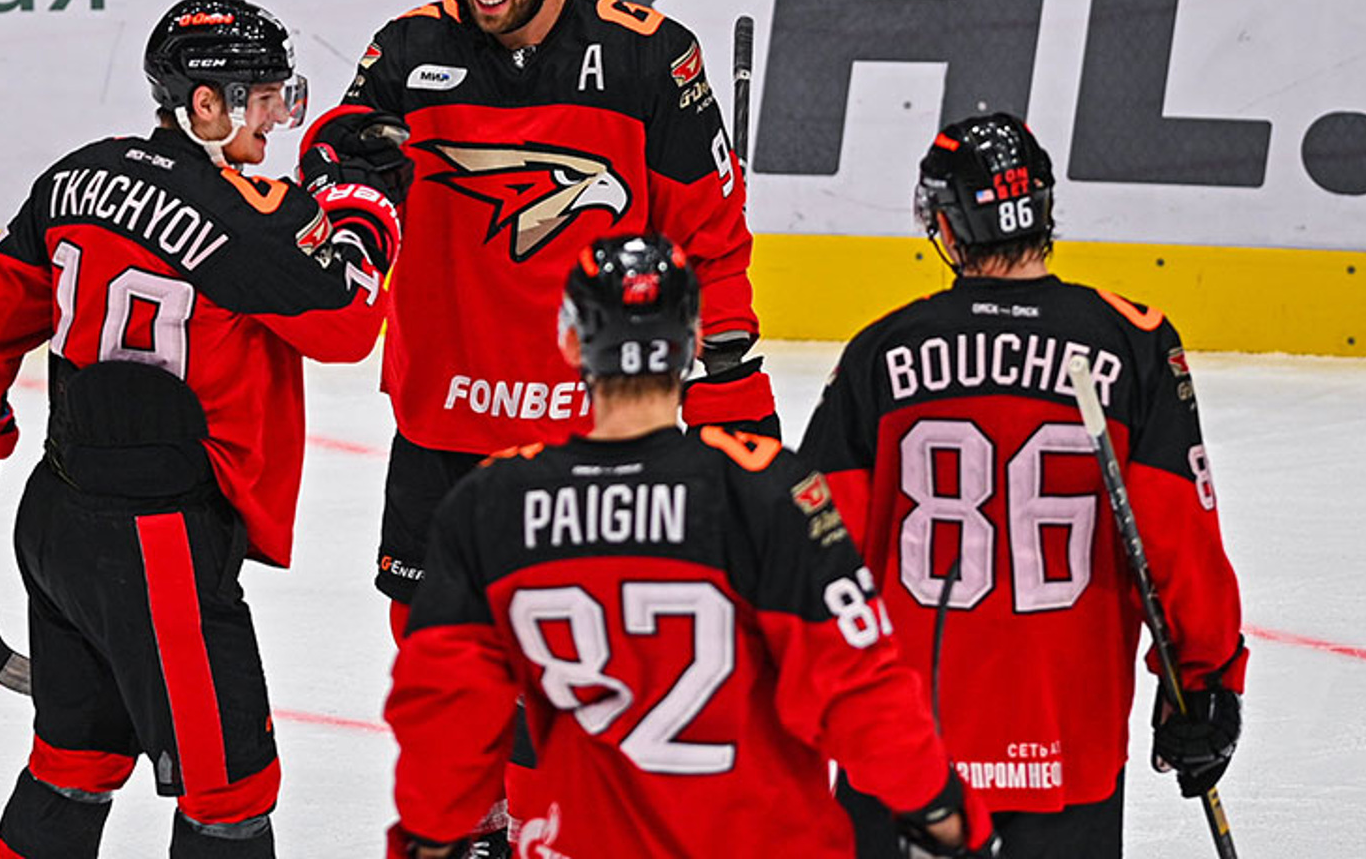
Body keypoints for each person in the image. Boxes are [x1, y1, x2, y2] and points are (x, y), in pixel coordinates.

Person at [0, 0, 406, 858]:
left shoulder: (77, 176)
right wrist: (364, 202)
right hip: (158, 546)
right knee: (229, 792)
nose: (275, 119)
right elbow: (347, 320)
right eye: (261, 96)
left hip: (58, 522)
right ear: (205, 104)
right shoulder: (253, 216)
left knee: (71, 761)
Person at [383, 232, 1000, 859]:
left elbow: (445, 714)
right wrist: (944, 815)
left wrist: (430, 839)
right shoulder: (763, 488)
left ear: (570, 343)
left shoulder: (493, 503)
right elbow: (858, 684)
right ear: (691, 344)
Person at [307, 0, 777, 633]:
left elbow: (709, 238)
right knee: (436, 667)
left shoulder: (648, 59)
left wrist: (729, 383)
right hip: (444, 425)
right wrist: (338, 172)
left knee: (576, 672)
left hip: (595, 431)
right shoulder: (407, 51)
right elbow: (343, 172)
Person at [799, 113, 1246, 859]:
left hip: (904, 757)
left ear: (944, 222)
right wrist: (1203, 683)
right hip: (1066, 754)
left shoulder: (883, 352)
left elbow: (812, 550)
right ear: (1042, 208)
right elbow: (1177, 541)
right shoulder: (1133, 343)